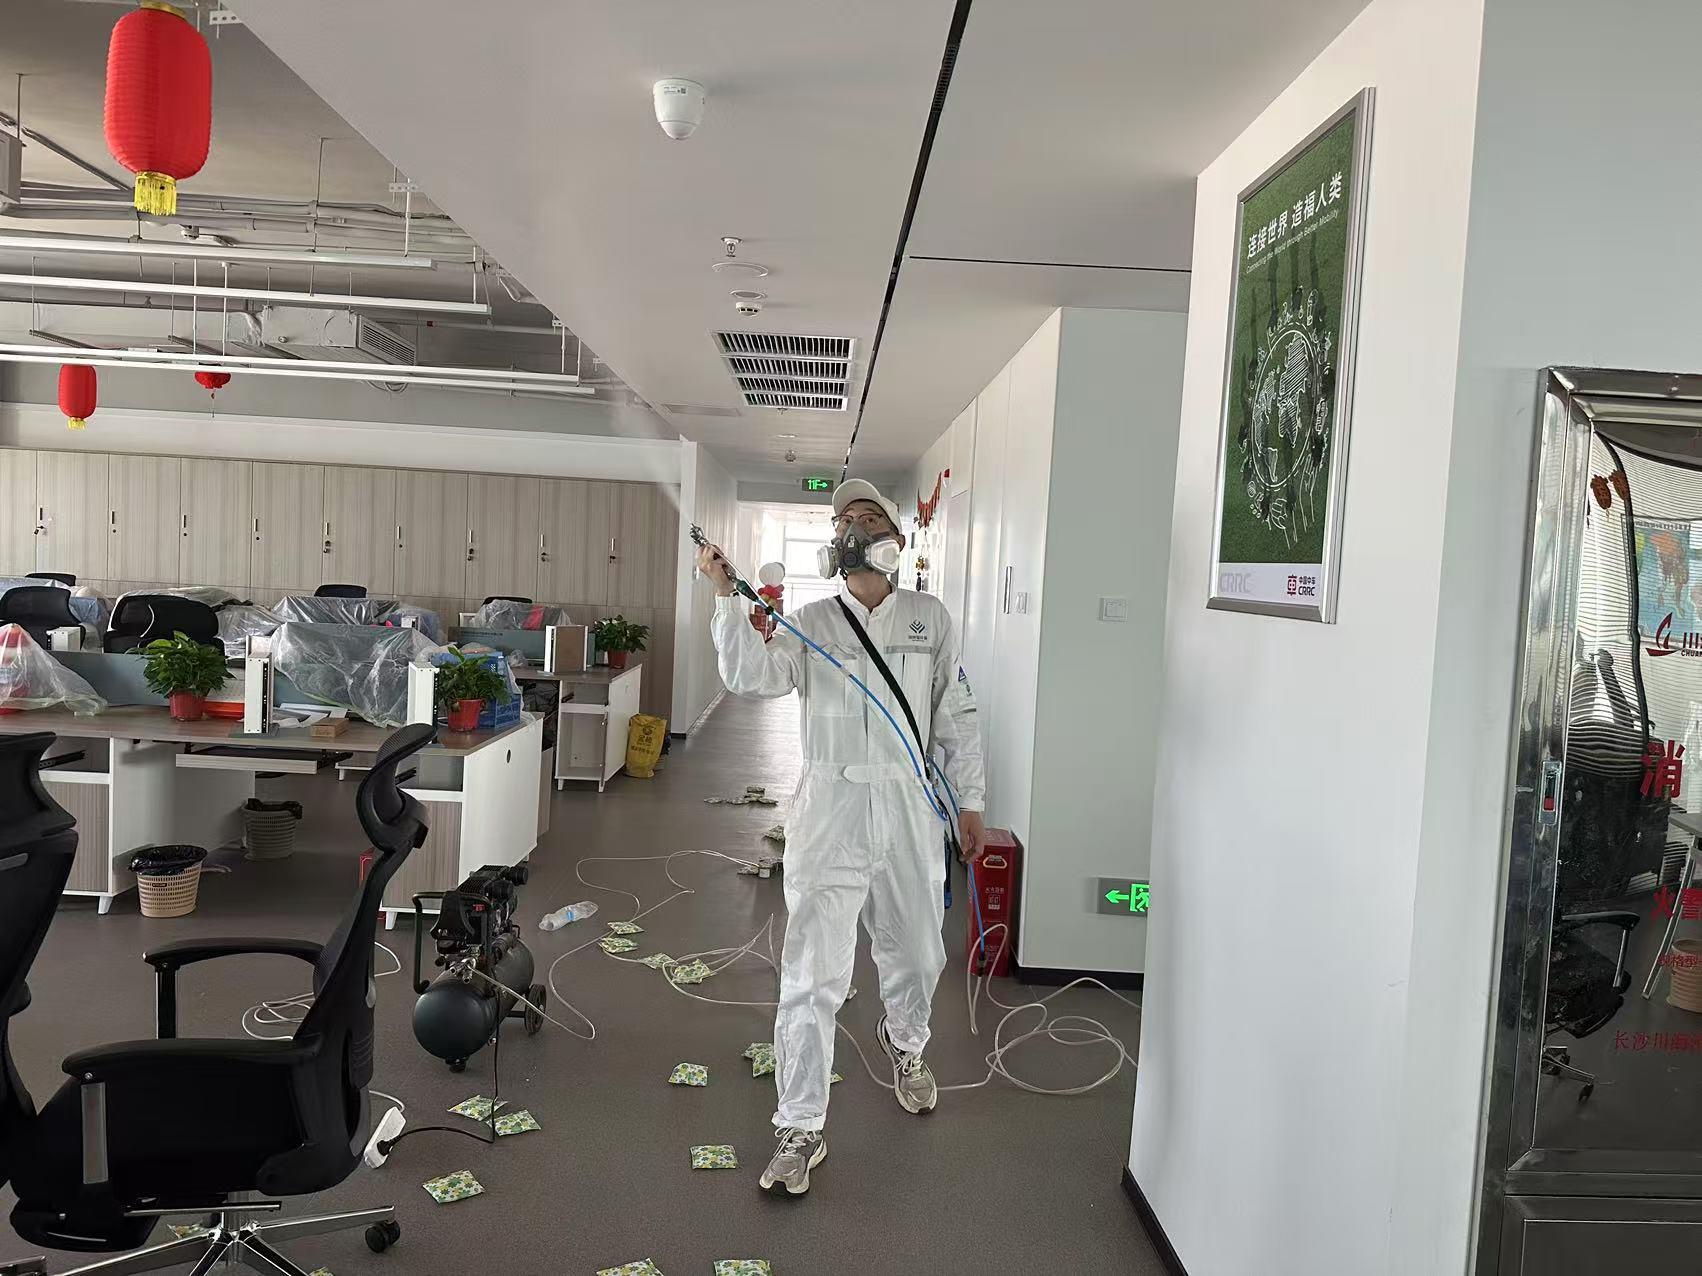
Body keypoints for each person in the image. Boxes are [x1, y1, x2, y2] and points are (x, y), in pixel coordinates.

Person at [696, 479, 986, 1197]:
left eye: (869, 516)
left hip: (909, 807)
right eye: (845, 518)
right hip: (830, 809)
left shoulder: (929, 619)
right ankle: (800, 1123)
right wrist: (727, 599)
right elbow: (750, 677)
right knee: (812, 975)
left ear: (895, 538)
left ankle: (905, 1042)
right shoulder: (813, 622)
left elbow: (956, 715)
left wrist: (971, 802)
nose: (854, 526)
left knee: (918, 952)